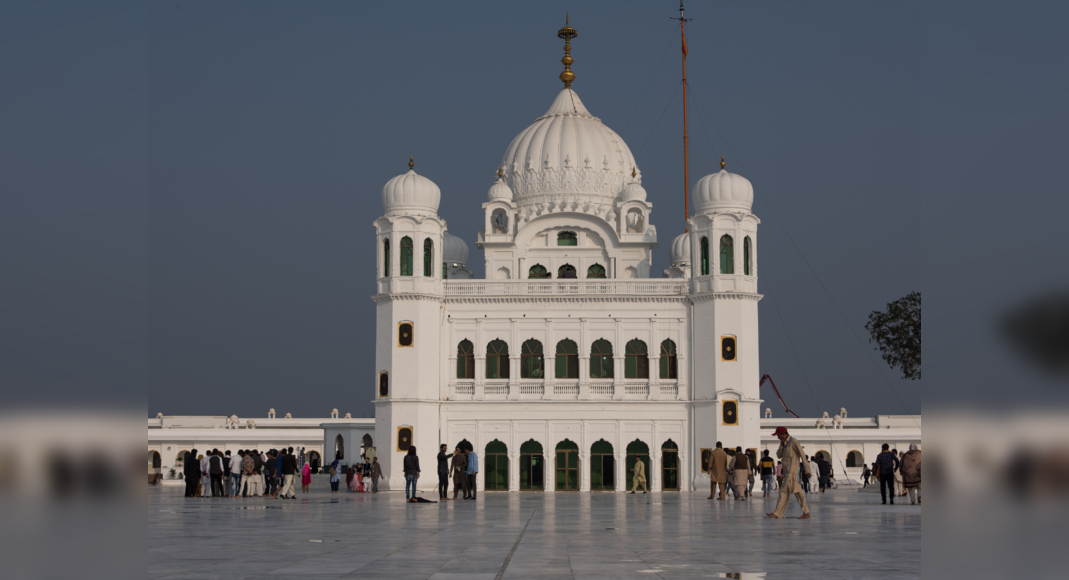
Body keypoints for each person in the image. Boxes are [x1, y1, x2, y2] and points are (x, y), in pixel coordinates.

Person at [768, 427, 811, 519]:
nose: (778, 437)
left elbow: (803, 456)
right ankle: (806, 512)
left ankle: (776, 513)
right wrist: (781, 444)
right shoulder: (784, 444)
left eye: (778, 435)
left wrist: (807, 470)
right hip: (788, 472)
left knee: (783, 492)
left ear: (784, 434)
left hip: (792, 472)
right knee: (798, 492)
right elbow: (779, 455)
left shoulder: (794, 442)